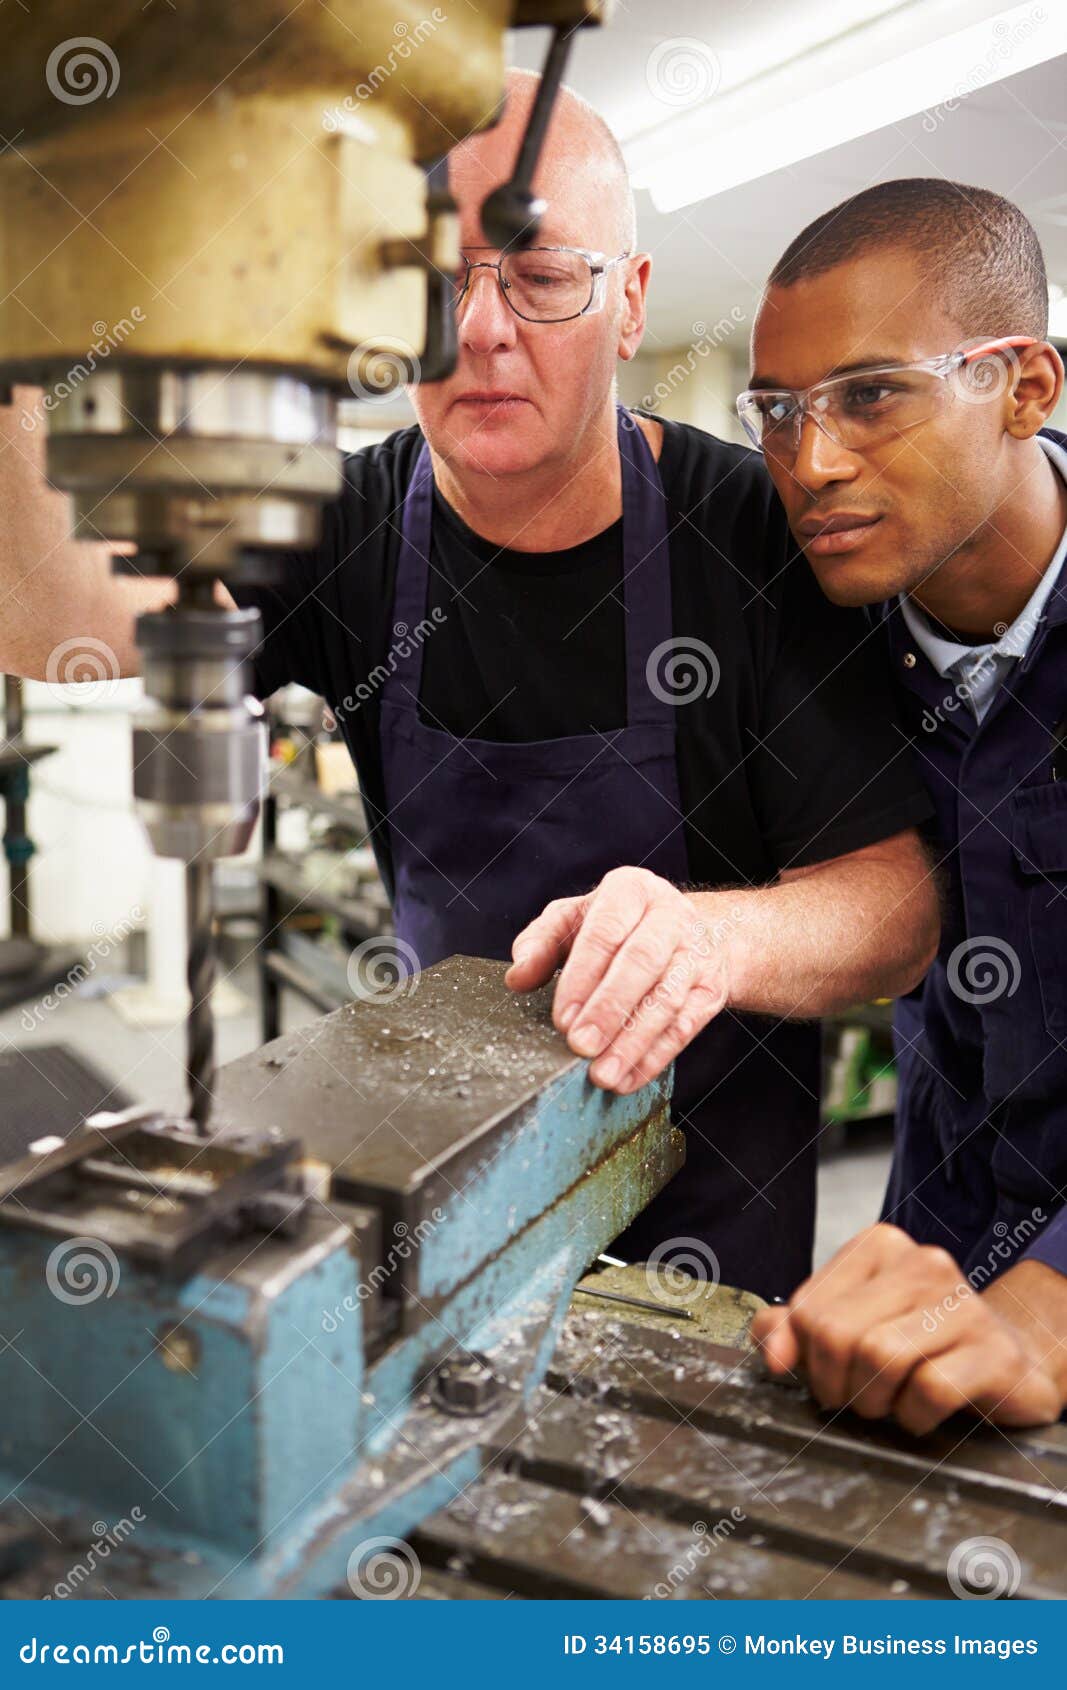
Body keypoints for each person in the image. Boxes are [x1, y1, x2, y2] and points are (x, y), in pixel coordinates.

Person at [0, 76, 937, 1302]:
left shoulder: (754, 535)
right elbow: (61, 629)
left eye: (539, 275)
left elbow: (896, 904)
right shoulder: (343, 522)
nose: (478, 331)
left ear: (629, 305)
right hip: (430, 1197)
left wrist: (708, 934)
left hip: (702, 1230)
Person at [743, 178, 1067, 1425]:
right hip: (929, 1256)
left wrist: (1043, 1305)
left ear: (1024, 388)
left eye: (871, 395)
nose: (809, 462)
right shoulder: (821, 630)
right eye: (776, 412)